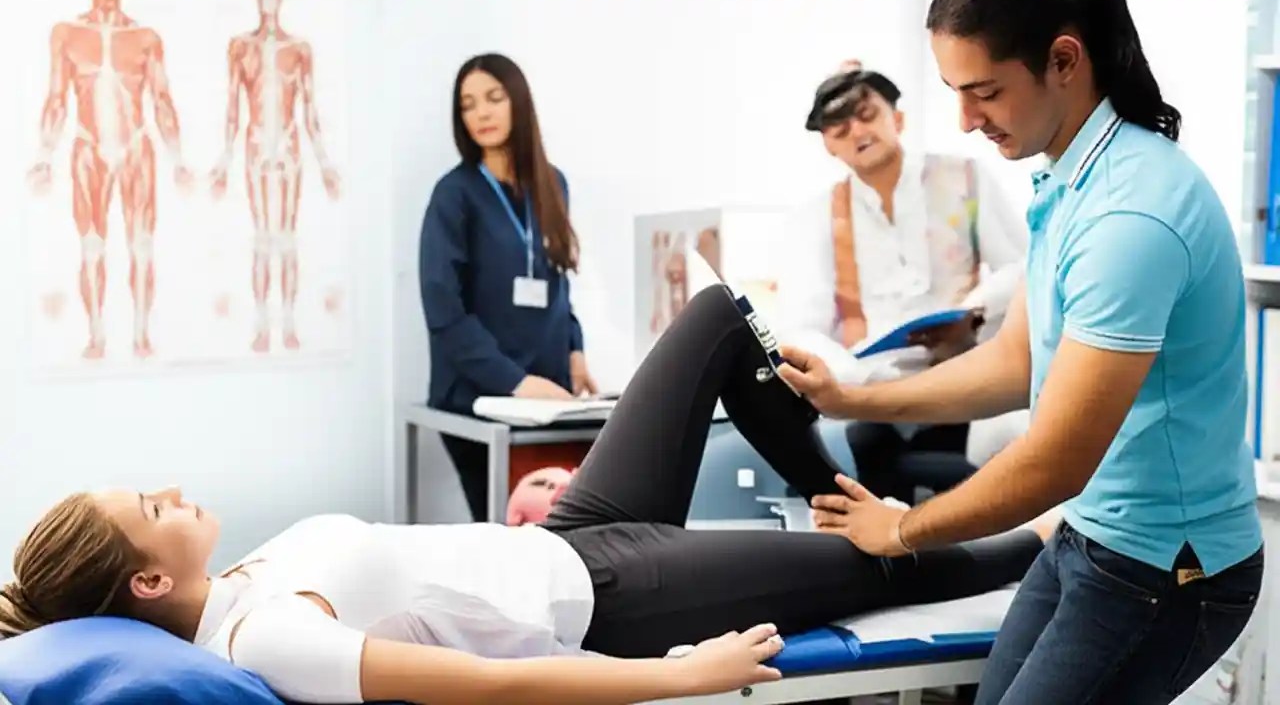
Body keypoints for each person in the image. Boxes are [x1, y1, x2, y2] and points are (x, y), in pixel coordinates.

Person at [0, 284, 1057, 705]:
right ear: (145, 576)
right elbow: (490, 686)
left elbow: (420, 570)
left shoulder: (237, 578)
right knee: (884, 565)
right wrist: (686, 680)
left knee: (719, 318)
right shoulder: (265, 638)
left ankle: (854, 497)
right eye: (152, 502)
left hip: (573, 528)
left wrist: (530, 505)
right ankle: (1044, 533)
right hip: (614, 595)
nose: (174, 489)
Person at [778, 0, 1264, 703]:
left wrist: (904, 529)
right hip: (1090, 534)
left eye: (985, 93)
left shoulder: (1130, 213)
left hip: (1168, 568)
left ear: (1064, 61)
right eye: (954, 92)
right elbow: (1018, 359)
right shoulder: (1067, 181)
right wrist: (852, 397)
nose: (967, 121)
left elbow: (1056, 462)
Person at [778, 60, 1027, 505]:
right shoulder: (816, 217)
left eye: (866, 113)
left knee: (1002, 456)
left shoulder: (965, 179)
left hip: (963, 377)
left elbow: (1024, 269)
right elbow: (801, 324)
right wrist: (852, 380)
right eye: (837, 127)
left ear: (898, 118)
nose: (856, 131)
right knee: (862, 465)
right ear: (828, 147)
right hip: (874, 394)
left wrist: (975, 312)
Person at [420, 53, 598, 522]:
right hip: (477, 396)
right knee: (505, 537)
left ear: (518, 102)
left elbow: (558, 280)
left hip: (547, 400)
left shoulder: (552, 183)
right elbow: (443, 311)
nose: (481, 113)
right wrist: (514, 382)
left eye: (494, 98)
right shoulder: (454, 194)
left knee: (563, 533)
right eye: (468, 104)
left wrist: (575, 350)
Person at [27, 0, 193, 360]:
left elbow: (162, 99)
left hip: (136, 147)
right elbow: (56, 98)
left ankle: (140, 335)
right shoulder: (66, 33)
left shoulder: (145, 38)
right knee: (91, 248)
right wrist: (44, 155)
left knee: (142, 247)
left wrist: (177, 159)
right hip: (90, 147)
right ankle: (97, 334)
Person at [210, 0, 342, 353]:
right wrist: (223, 161)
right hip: (255, 145)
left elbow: (310, 110)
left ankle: (288, 321)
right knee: (262, 237)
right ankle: (261, 323)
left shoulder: (298, 49)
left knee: (286, 237)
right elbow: (234, 108)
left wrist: (325, 164)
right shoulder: (241, 47)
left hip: (288, 145)